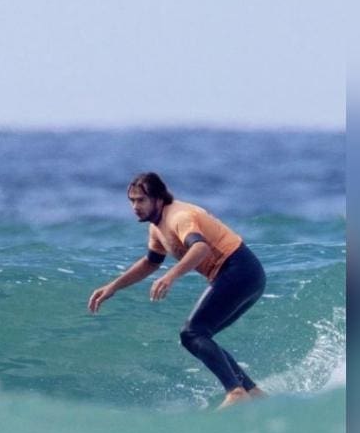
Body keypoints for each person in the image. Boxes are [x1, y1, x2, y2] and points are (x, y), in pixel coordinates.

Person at [88, 172, 268, 409]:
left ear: (159, 199)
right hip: (246, 274)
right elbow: (151, 262)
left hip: (239, 270)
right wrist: (113, 287)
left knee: (193, 333)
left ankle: (236, 392)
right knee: (199, 335)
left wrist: (171, 276)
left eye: (141, 200)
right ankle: (252, 392)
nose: (134, 207)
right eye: (132, 201)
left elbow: (200, 248)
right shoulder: (157, 227)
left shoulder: (178, 217)